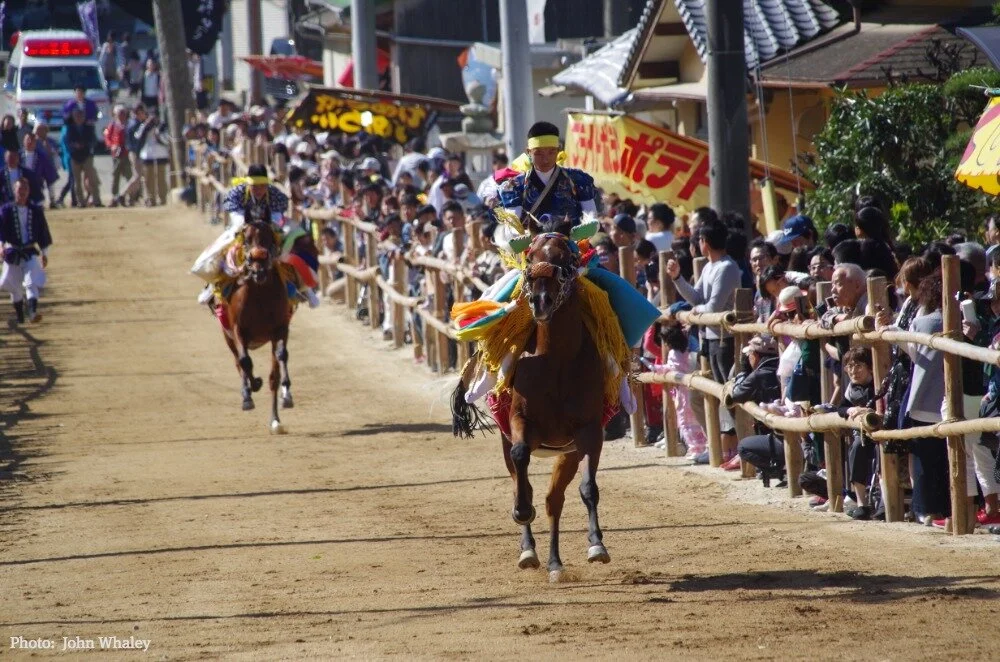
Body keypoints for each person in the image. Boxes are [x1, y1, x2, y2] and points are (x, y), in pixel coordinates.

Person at [498, 121, 598, 227]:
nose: (545, 159)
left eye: (551, 152)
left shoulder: (577, 179)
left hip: (572, 239)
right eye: (538, 153)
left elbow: (591, 218)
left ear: (558, 150)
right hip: (531, 241)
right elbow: (513, 225)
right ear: (529, 152)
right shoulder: (515, 185)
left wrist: (581, 233)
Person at [0, 178, 52, 324]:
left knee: (31, 281)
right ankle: (20, 315)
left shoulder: (36, 210)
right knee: (14, 286)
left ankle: (33, 312)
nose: (22, 192)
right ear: (14, 190)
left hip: (29, 251)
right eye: (19, 189)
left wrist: (44, 253)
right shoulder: (6, 210)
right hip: (12, 252)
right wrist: (1, 246)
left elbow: (43, 232)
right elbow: (1, 231)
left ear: (28, 192)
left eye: (25, 189)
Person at [65, 108, 102, 207]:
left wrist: (85, 145)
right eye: (77, 116)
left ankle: (97, 200)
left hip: (87, 155)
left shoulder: (89, 127)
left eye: (81, 116)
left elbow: (94, 141)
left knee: (92, 179)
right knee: (77, 181)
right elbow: (67, 142)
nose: (79, 118)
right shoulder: (70, 128)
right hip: (75, 156)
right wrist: (74, 146)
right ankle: (81, 202)